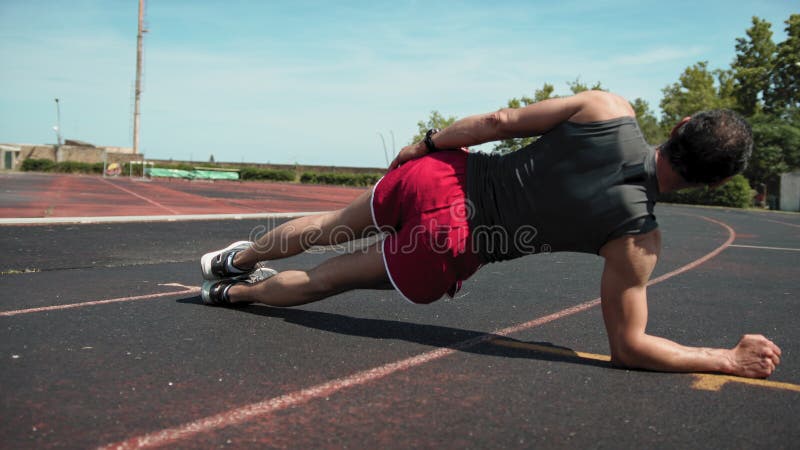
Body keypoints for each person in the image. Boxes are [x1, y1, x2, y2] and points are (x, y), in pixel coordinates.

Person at [200, 90, 781, 379]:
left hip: (443, 175)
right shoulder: (638, 240)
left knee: (328, 228)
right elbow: (628, 349)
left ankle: (234, 259)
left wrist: (426, 143)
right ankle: (232, 294)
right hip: (453, 245)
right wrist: (726, 358)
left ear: (680, 126)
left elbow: (499, 122)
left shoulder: (607, 108)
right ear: (714, 181)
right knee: (327, 281)